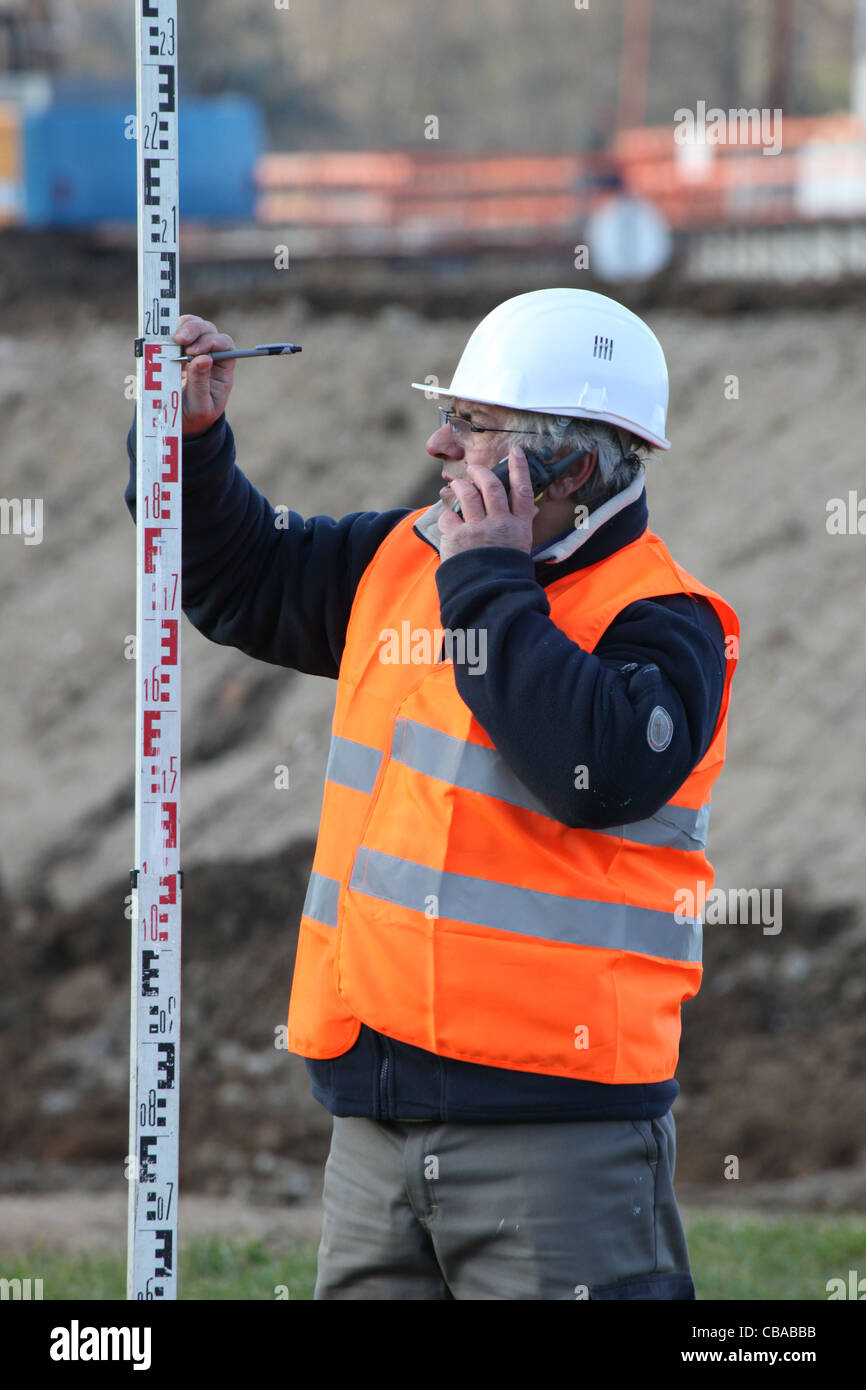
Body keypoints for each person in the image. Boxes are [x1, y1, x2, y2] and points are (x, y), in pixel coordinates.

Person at [125, 287, 739, 1300]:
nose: (437, 443)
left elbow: (592, 770)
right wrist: (193, 443)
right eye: (446, 412)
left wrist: (486, 586)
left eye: (472, 423)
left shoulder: (663, 623)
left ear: (571, 467)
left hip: (559, 1134)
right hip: (374, 1119)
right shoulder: (407, 561)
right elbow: (240, 577)